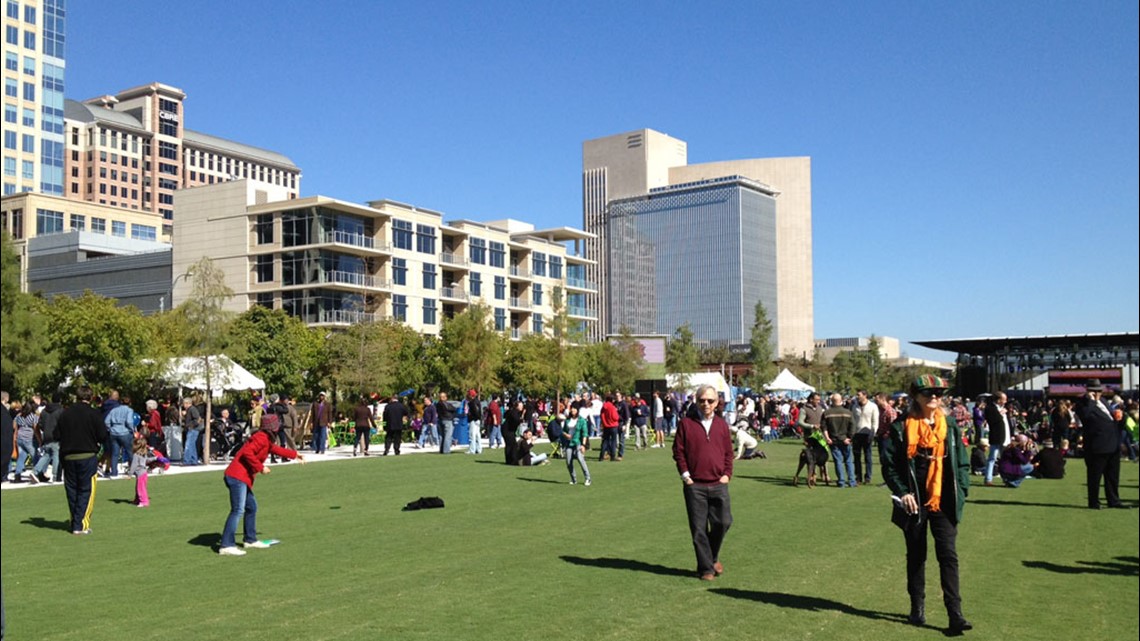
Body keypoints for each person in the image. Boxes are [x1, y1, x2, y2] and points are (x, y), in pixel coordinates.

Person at [881, 375, 972, 634]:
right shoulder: (901, 426)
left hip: (944, 498)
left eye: (938, 393)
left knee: (948, 556)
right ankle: (917, 608)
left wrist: (962, 491)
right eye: (928, 393)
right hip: (914, 500)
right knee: (917, 555)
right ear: (915, 396)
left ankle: (955, 614)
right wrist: (902, 492)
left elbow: (963, 464)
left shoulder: (950, 425)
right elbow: (889, 465)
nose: (934, 397)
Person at [218, 414, 305, 556]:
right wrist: (260, 467)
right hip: (236, 477)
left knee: (251, 507)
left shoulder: (266, 439)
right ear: (271, 428)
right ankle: (226, 545)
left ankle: (250, 540)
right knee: (238, 510)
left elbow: (276, 449)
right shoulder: (260, 437)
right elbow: (247, 452)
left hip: (241, 478)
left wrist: (295, 455)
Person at [672, 384, 734, 581]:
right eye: (702, 400)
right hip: (695, 485)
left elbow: (728, 453)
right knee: (699, 529)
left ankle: (712, 557)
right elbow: (678, 451)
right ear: (696, 401)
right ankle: (706, 568)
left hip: (718, 483)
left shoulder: (722, 425)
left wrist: (727, 474)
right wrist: (685, 474)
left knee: (723, 522)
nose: (705, 404)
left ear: (716, 403)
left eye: (710, 400)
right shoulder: (686, 423)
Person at [56, 386, 109, 535]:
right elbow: (103, 435)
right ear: (91, 397)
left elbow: (56, 434)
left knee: (72, 490)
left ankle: (75, 521)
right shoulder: (94, 414)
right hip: (87, 456)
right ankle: (81, 524)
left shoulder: (65, 414)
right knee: (86, 490)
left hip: (68, 456)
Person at [1073, 379, 1126, 509]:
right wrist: (1091, 400)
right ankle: (1094, 501)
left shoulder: (1104, 402)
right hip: (1097, 445)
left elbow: (1110, 418)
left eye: (1099, 391)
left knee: (1112, 475)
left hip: (1112, 443)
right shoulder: (1082, 404)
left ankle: (1113, 500)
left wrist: (1120, 417)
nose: (1098, 394)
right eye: (1095, 391)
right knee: (1094, 476)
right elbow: (1085, 416)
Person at [823, 393, 856, 487]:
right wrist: (849, 438)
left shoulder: (827, 413)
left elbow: (824, 427)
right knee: (849, 461)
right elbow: (853, 426)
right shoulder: (848, 412)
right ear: (841, 400)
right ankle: (852, 481)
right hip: (845, 440)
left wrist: (827, 438)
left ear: (831, 401)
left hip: (833, 440)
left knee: (838, 461)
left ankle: (841, 481)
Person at [982, 392, 1010, 486]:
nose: (1005, 401)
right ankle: (988, 478)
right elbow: (992, 420)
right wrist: (1001, 413)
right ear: (998, 400)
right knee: (992, 458)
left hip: (1005, 437)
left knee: (1004, 459)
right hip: (996, 437)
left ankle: (1006, 478)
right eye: (1004, 399)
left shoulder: (1003, 409)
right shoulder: (990, 408)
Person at [852, 390, 880, 484]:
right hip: (857, 434)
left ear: (865, 395)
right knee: (856, 457)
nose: (857, 396)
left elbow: (875, 422)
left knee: (868, 456)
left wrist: (873, 434)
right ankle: (858, 477)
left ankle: (868, 477)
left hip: (867, 434)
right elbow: (853, 420)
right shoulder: (854, 406)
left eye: (859, 395)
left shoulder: (873, 406)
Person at [560, 406, 592, 485]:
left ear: (577, 410)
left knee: (581, 460)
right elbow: (563, 431)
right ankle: (573, 479)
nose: (573, 410)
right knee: (568, 461)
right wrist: (566, 435)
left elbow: (585, 433)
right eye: (572, 409)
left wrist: (583, 445)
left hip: (577, 442)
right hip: (569, 443)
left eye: (575, 409)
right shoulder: (567, 420)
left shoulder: (581, 420)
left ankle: (588, 478)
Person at [129, 433, 151, 507]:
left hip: (140, 474)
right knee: (139, 487)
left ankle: (144, 501)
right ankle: (137, 499)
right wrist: (155, 458)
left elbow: (133, 465)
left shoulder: (136, 455)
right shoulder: (143, 454)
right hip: (144, 473)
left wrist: (129, 474)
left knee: (140, 488)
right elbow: (147, 460)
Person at [181, 398, 203, 466]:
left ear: (187, 403)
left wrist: (191, 426)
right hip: (193, 429)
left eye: (184, 403)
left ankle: (187, 460)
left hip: (193, 429)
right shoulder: (191, 409)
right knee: (192, 445)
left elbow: (197, 419)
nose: (183, 405)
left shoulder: (192, 409)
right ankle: (193, 460)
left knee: (188, 445)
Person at [503, 398, 524, 465]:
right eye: (521, 406)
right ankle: (511, 460)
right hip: (507, 430)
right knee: (511, 445)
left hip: (510, 430)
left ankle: (511, 460)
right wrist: (521, 420)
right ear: (517, 406)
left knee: (511, 445)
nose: (522, 407)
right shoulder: (514, 412)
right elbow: (516, 420)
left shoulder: (515, 412)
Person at [466, 390, 483, 454]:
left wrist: (474, 418)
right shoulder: (477, 401)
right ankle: (479, 449)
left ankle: (472, 449)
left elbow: (475, 411)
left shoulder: (472, 402)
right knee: (477, 435)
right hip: (477, 419)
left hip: (473, 419)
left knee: (472, 435)